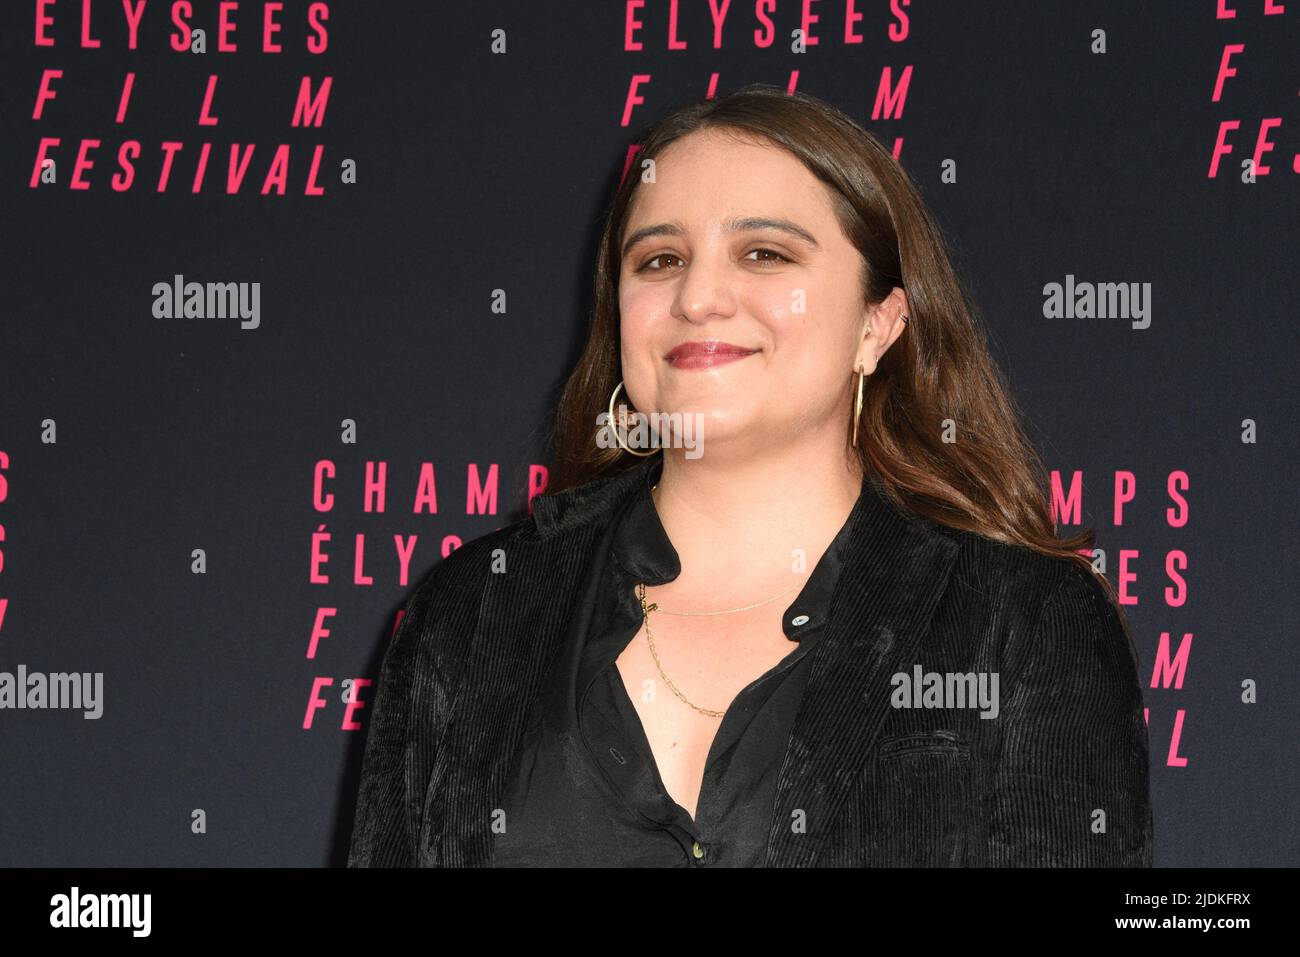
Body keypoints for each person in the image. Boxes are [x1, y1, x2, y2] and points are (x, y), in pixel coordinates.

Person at [347, 84, 1154, 868]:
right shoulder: (468, 618)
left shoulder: (1023, 626)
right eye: (660, 259)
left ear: (878, 326)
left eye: (763, 253)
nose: (698, 296)